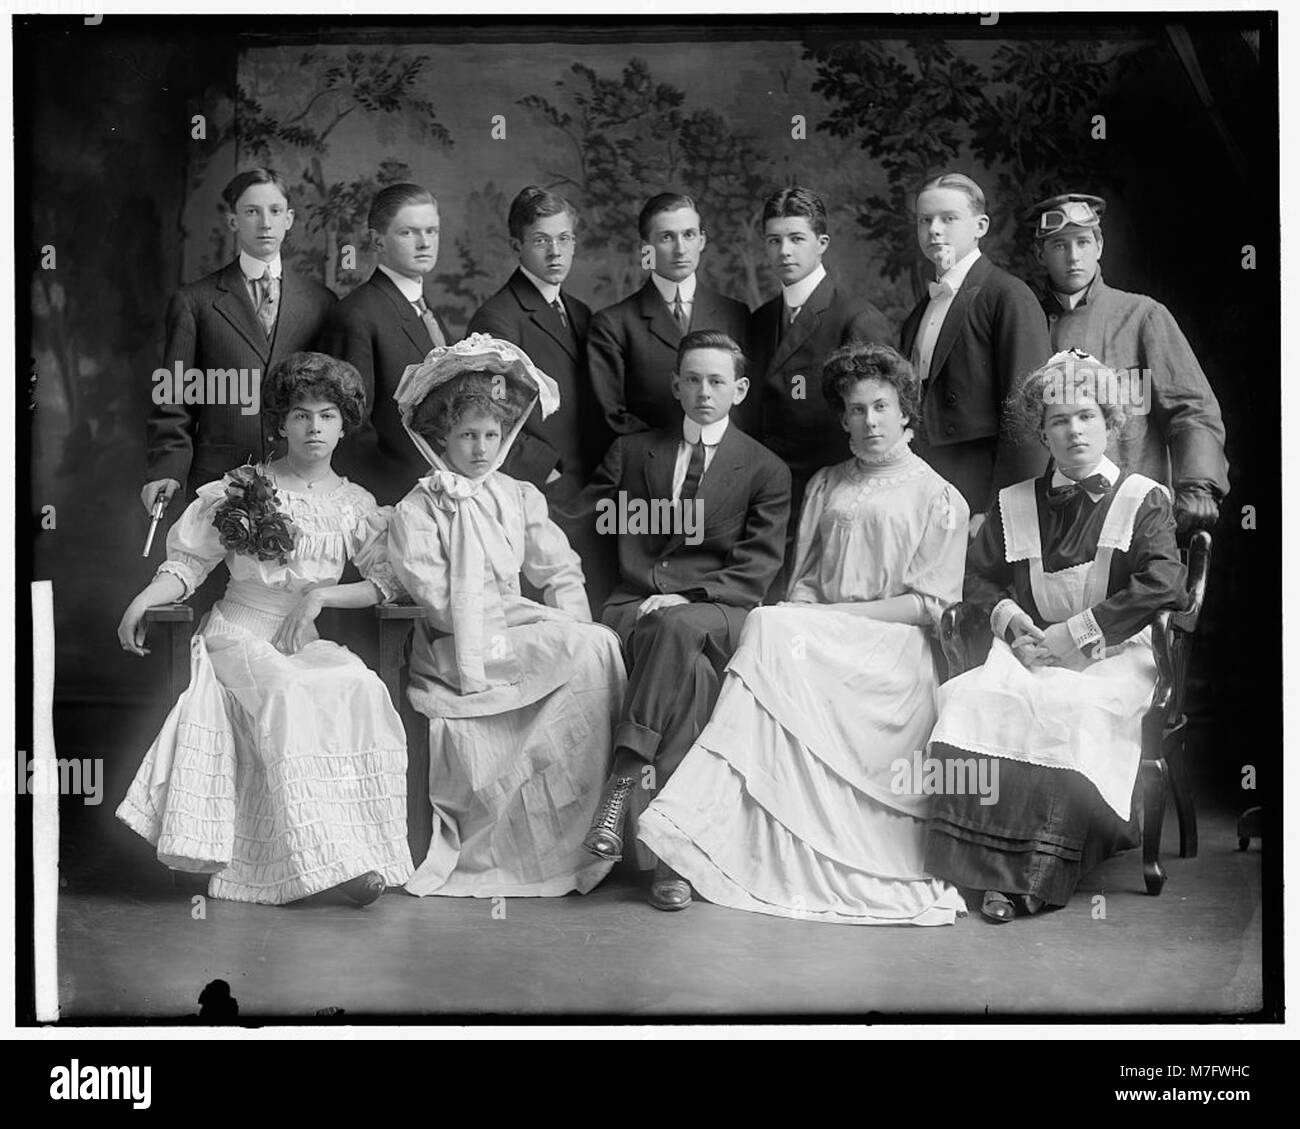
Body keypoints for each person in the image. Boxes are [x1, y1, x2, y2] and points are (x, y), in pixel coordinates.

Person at [637, 343, 969, 924]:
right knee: (773, 623)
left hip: (892, 649)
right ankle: (707, 833)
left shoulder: (939, 497)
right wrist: (808, 621)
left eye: (882, 408)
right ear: (842, 418)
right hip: (822, 635)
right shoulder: (825, 484)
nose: (869, 422)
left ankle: (688, 825)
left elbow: (929, 605)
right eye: (857, 410)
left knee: (766, 623)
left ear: (905, 412)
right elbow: (805, 582)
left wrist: (825, 623)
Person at [116, 352, 414, 906]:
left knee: (359, 687)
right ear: (280, 421)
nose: (314, 428)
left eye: (327, 415)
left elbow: (386, 582)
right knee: (290, 691)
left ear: (344, 423)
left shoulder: (355, 505)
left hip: (301, 638)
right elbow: (189, 565)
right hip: (239, 632)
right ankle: (325, 866)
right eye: (301, 415)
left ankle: (355, 859)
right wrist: (143, 598)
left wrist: (321, 595)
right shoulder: (242, 488)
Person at [924, 349, 1189, 924]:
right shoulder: (1013, 503)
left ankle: (1030, 877)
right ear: (1041, 432)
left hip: (1118, 654)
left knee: (1069, 706)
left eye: (1087, 416)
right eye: (1059, 420)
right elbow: (978, 578)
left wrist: (1079, 635)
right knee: (977, 697)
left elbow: (1165, 583)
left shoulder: (1144, 498)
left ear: (1110, 422)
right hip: (1033, 648)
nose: (1074, 430)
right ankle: (971, 870)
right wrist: (1012, 622)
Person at [386, 334, 626, 898]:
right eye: (467, 435)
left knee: (597, 646)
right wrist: (527, 628)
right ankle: (512, 840)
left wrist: (572, 625)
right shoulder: (417, 509)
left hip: (517, 630)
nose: (480, 448)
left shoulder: (519, 496)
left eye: (491, 435)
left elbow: (560, 572)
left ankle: (583, 826)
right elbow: (441, 602)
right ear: (443, 437)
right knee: (587, 649)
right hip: (457, 650)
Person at [574, 330, 791, 910]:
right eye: (692, 379)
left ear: (739, 389)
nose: (703, 391)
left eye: (717, 381)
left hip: (721, 610)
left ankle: (621, 782)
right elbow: (578, 520)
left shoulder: (766, 468)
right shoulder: (635, 452)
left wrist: (686, 596)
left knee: (678, 629)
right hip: (637, 606)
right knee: (689, 679)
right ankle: (673, 863)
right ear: (675, 384)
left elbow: (757, 568)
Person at [1029, 192, 1229, 536]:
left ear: (1100, 246)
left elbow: (1190, 408)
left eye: (1082, 242)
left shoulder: (1143, 315)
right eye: (1059, 245)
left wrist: (1198, 485)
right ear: (1040, 253)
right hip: (1048, 520)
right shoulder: (1023, 321)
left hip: (1135, 512)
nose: (1074, 256)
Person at [143, 167, 336, 512]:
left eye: (275, 211)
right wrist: (167, 468)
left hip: (300, 479)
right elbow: (173, 396)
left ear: (289, 218)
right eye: (251, 211)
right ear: (233, 221)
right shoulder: (195, 302)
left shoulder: (320, 302)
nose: (265, 223)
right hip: (219, 480)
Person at [899, 172, 1051, 530]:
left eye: (948, 219)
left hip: (982, 489)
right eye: (925, 220)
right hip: (928, 486)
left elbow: (1028, 414)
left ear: (980, 225)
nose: (934, 230)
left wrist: (1001, 511)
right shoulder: (919, 312)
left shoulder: (1007, 295)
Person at [749, 185, 893, 525]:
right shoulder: (760, 320)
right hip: (767, 495)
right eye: (774, 240)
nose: (784, 251)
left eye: (797, 239)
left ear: (822, 244)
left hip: (834, 494)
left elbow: (879, 423)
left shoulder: (857, 319)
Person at [466, 185, 602, 503]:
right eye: (541, 240)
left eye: (564, 238)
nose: (555, 251)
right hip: (544, 490)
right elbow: (486, 413)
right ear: (518, 245)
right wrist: (548, 473)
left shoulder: (581, 312)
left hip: (595, 482)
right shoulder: (496, 319)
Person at [319, 183, 453, 503]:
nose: (424, 243)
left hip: (442, 492)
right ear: (378, 239)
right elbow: (350, 434)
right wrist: (394, 501)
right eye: (408, 232)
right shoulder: (355, 316)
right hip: (393, 500)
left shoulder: (425, 310)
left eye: (432, 231)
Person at [587, 192, 750, 437]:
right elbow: (610, 417)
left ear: (702, 241)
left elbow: (748, 407)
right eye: (666, 237)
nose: (680, 248)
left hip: (727, 465)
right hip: (648, 466)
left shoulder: (735, 314)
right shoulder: (613, 325)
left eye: (689, 235)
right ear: (647, 251)